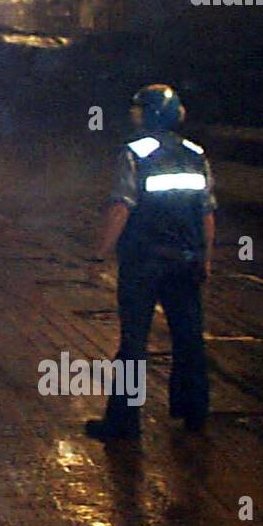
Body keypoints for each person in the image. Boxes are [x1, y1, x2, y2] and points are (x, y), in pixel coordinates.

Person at [85, 84, 216, 440]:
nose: (134, 114)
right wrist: (206, 257)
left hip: (144, 263)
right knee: (189, 338)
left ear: (152, 113)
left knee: (133, 342)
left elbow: (121, 206)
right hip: (186, 261)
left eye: (139, 109)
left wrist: (100, 253)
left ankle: (123, 423)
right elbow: (206, 212)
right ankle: (194, 411)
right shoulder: (195, 154)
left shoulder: (134, 154)